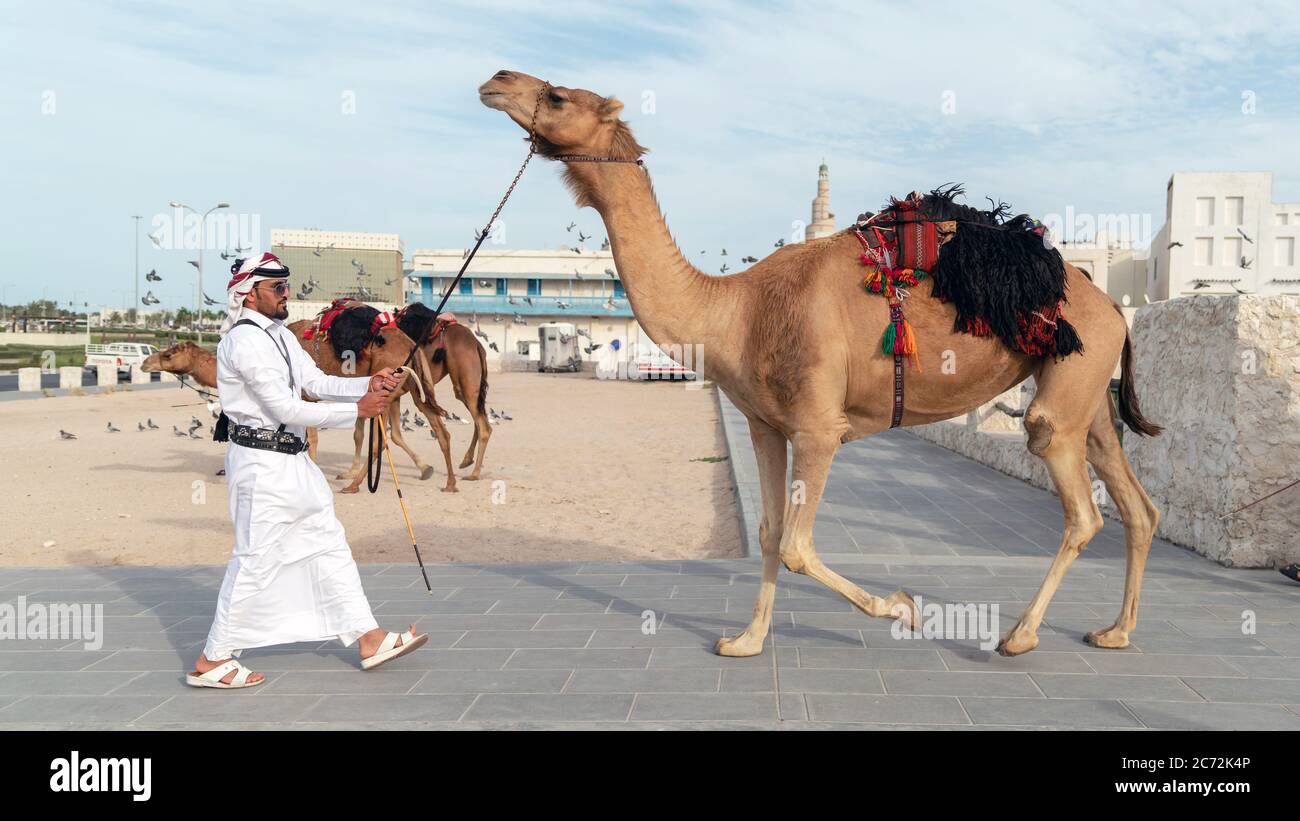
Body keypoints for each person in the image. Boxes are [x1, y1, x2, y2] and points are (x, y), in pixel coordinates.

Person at [187, 253, 427, 689]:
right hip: (261, 465)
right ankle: (213, 658)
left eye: (286, 285)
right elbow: (281, 406)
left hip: (294, 462)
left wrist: (368, 384)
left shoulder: (279, 336)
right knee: (256, 559)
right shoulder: (242, 341)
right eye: (277, 288)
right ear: (249, 293)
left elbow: (316, 383)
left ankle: (368, 637)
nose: (286, 294)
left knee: (328, 544)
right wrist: (356, 411)